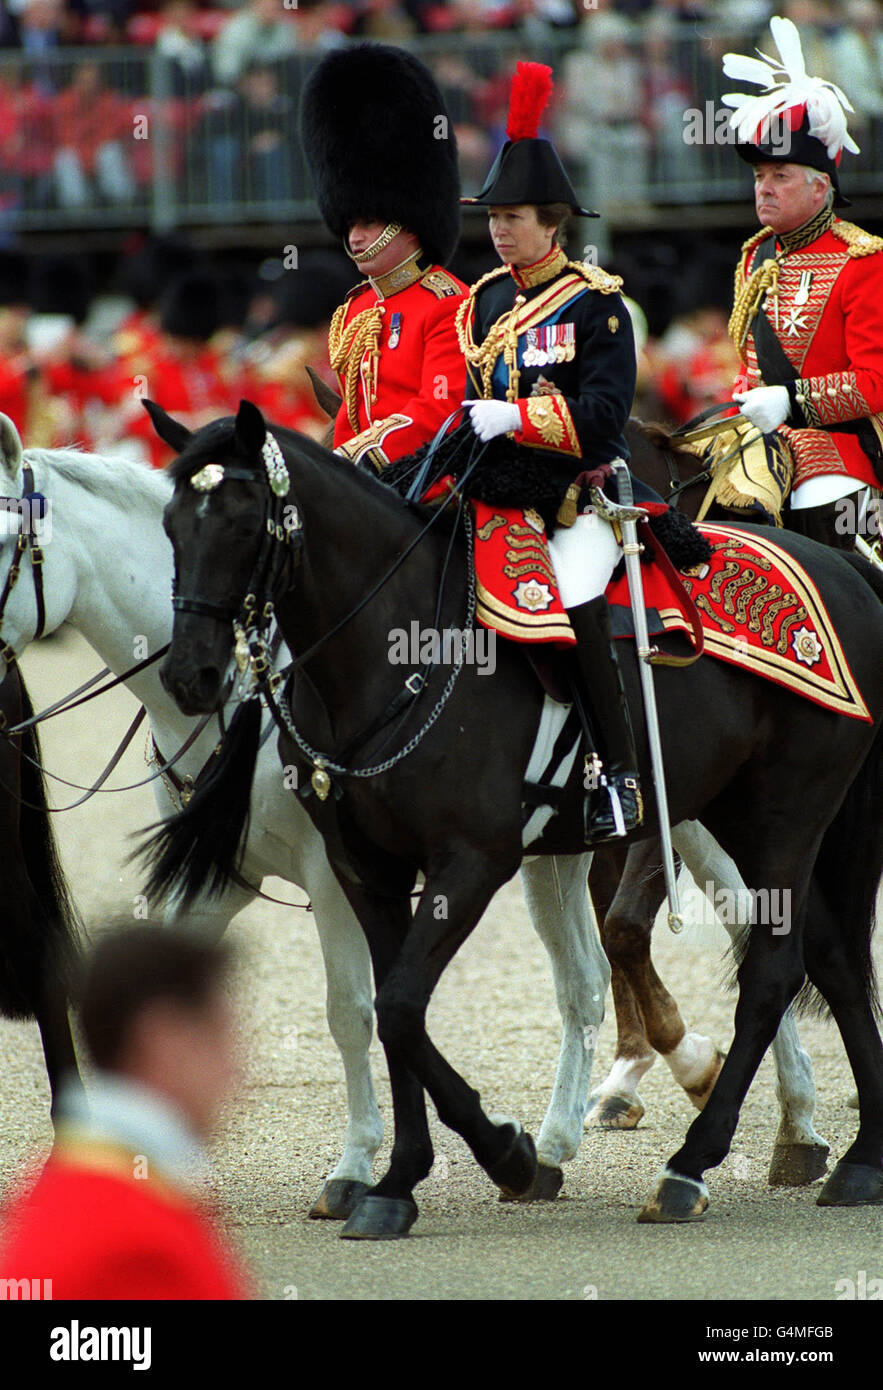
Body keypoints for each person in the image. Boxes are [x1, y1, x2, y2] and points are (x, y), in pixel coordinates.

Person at [458, 60, 642, 843]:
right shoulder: (484, 299)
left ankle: (617, 776)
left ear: (553, 222)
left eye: (515, 218)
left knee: (571, 595)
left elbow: (603, 417)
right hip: (496, 485)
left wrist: (521, 418)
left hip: (579, 492)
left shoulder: (596, 304)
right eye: (494, 217)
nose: (500, 230)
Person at [0, 924, 250, 1300]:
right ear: (165, 1041)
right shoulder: (139, 1246)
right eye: (220, 1038)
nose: (237, 1069)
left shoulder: (51, 1187)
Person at [715, 13, 883, 548]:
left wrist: (791, 401)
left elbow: (875, 383)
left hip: (840, 448)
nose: (763, 188)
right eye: (760, 177)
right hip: (762, 444)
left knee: (819, 500)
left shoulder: (863, 260)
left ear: (820, 188)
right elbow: (748, 367)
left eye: (780, 176)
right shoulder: (755, 256)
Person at [301, 43, 469, 472]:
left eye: (369, 223)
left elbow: (440, 409)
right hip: (367, 482)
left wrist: (358, 459)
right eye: (350, 224)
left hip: (429, 481)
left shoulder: (447, 303)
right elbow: (351, 414)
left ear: (408, 220)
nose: (355, 237)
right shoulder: (358, 306)